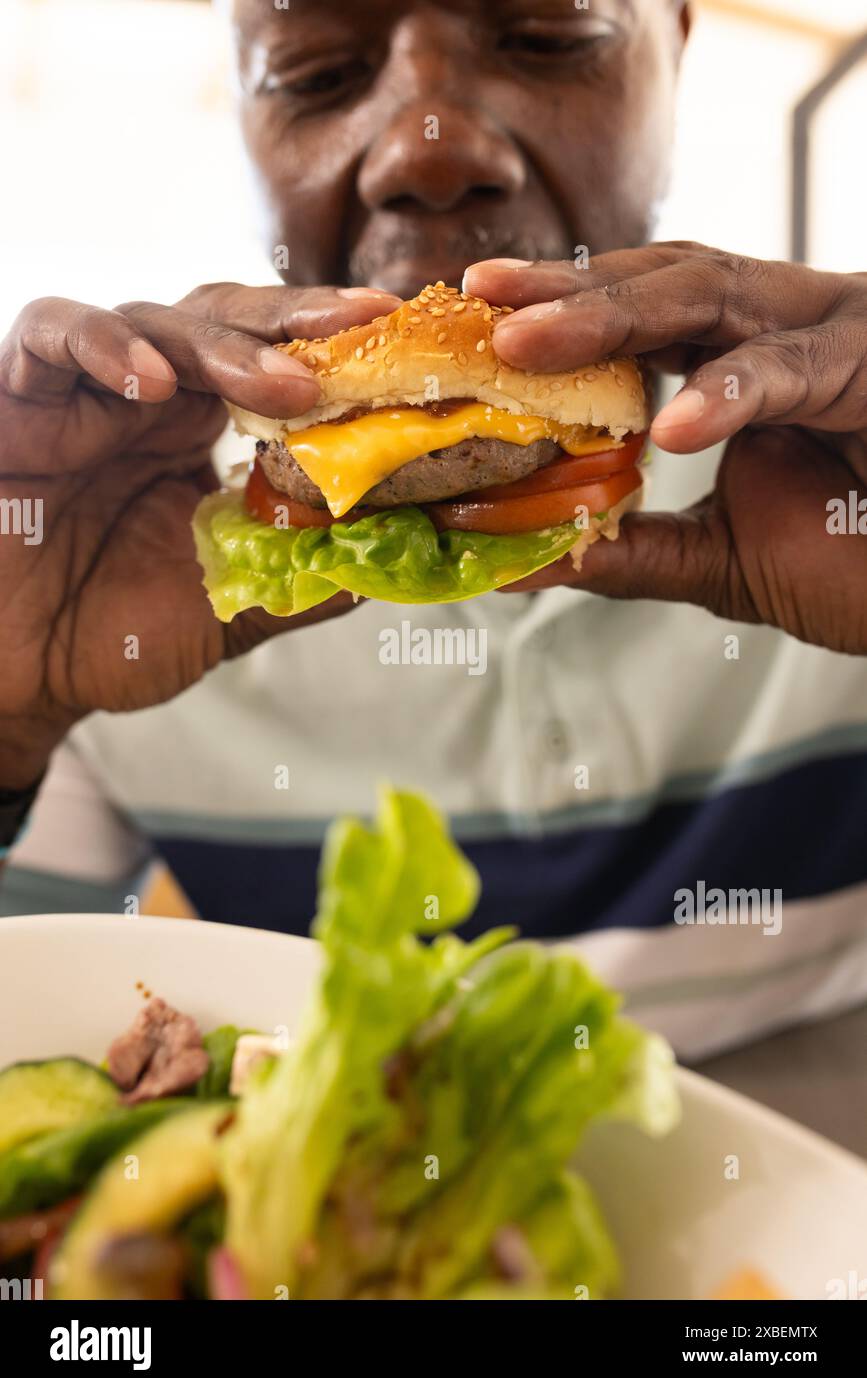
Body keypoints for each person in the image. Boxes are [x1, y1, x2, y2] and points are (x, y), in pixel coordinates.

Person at [1, 0, 866, 1059]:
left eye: (546, 36)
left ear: (675, 48)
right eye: (316, 72)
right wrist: (9, 724)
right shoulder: (117, 545)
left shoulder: (836, 459)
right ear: (240, 107)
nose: (431, 148)